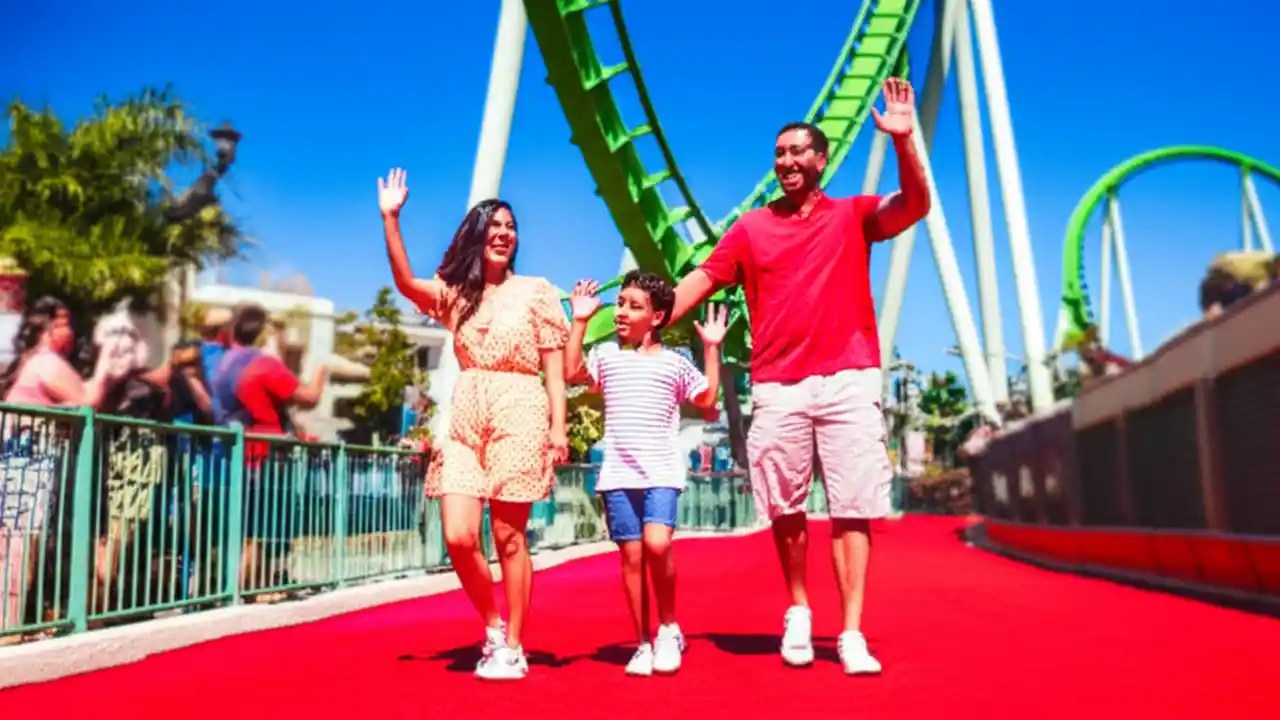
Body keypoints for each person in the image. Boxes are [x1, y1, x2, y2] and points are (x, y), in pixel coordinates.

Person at [663, 78, 931, 675]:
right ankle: (800, 610)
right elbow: (702, 280)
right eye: (778, 154)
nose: (784, 162)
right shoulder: (750, 229)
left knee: (852, 506)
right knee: (783, 508)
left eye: (795, 153)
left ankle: (853, 632)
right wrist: (657, 315)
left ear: (820, 160)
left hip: (849, 377)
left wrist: (905, 142)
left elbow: (914, 206)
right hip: (779, 382)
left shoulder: (853, 215)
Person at [378, 168, 569, 681]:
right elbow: (404, 282)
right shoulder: (456, 296)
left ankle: (514, 644)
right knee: (460, 536)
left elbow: (555, 369)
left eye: (511, 226)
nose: (505, 233)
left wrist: (558, 427)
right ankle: (491, 625)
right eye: (496, 225)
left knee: (509, 536)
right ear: (477, 234)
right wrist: (391, 219)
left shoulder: (537, 292)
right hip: (467, 412)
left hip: (521, 406)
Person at [564, 272, 725, 676]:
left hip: (661, 470)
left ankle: (668, 627)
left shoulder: (675, 364)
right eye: (620, 303)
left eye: (634, 305)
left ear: (656, 317)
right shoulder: (605, 356)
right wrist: (580, 321)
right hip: (618, 472)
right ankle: (642, 642)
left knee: (657, 544)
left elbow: (706, 399)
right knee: (631, 557)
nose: (621, 311)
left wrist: (711, 349)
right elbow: (571, 372)